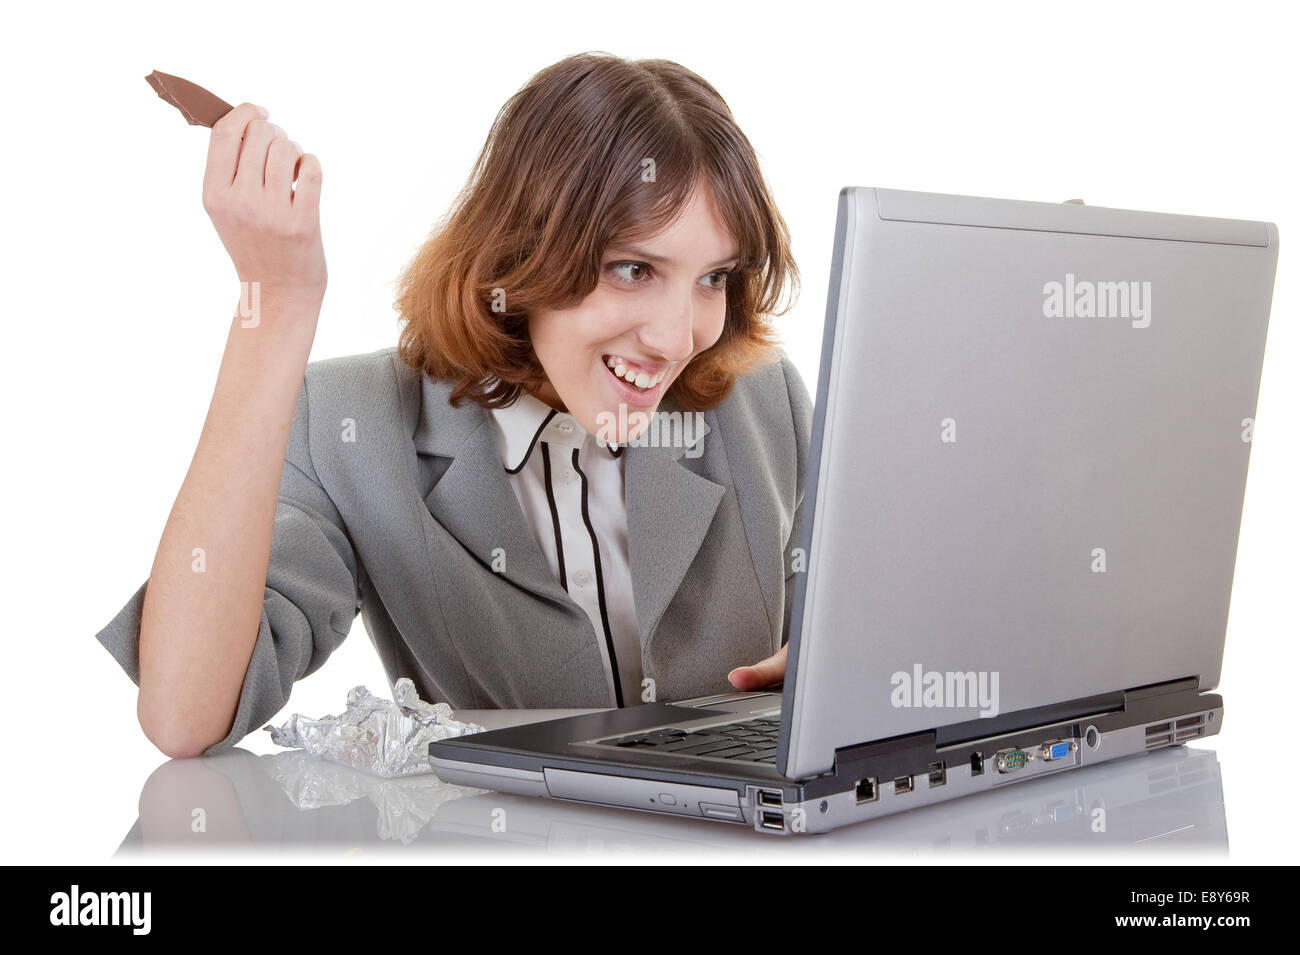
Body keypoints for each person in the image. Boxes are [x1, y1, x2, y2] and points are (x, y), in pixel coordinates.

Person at [94, 51, 812, 759]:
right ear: (523, 249)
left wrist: (828, 670)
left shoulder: (762, 399)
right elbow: (184, 713)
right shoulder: (354, 424)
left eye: (713, 277)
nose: (677, 336)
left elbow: (882, 627)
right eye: (633, 268)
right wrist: (275, 302)